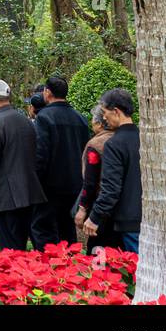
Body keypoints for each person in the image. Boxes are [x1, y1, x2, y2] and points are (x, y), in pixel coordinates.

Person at [0, 78, 46, 251]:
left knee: (10, 251)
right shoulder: (25, 120)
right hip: (30, 193)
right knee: (23, 247)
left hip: (6, 197)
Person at [31, 76, 91, 249]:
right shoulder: (80, 118)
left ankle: (48, 270)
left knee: (43, 231)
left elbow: (41, 155)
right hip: (75, 185)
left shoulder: (44, 117)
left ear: (47, 92)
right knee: (67, 230)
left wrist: (36, 183)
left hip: (49, 187)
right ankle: (70, 266)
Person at [84, 88, 141, 253]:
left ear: (116, 111)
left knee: (131, 272)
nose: (103, 117)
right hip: (147, 218)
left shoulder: (114, 144)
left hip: (127, 220)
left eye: (104, 112)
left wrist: (94, 217)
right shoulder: (144, 138)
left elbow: (111, 188)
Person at [74, 105, 121, 251]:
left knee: (97, 248)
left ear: (100, 124)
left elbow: (90, 182)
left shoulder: (96, 144)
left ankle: (98, 272)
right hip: (123, 207)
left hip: (100, 206)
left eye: (93, 122)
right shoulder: (122, 139)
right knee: (118, 251)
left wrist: (82, 209)